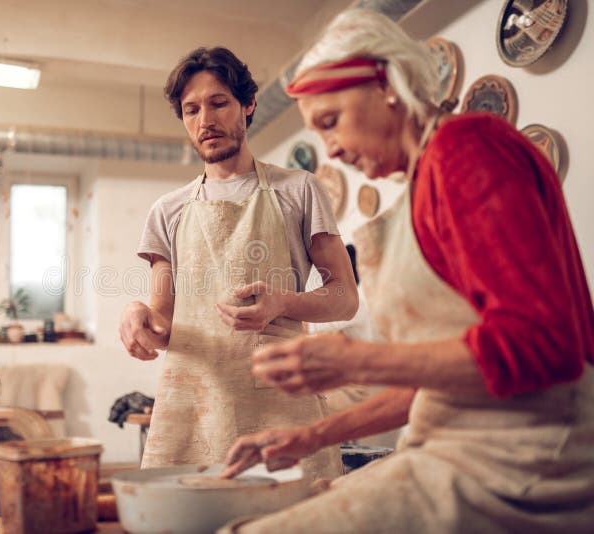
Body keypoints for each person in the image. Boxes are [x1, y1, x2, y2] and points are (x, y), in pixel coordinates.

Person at [219, 8, 594, 533]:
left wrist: (358, 362)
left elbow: (543, 347)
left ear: (385, 84)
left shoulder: (468, 149)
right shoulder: (428, 178)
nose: (331, 150)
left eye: (330, 121)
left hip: (527, 463)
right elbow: (440, 384)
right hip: (463, 450)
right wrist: (310, 437)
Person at [119, 46, 359, 482]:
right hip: (190, 404)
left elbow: (345, 298)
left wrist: (282, 303)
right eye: (191, 110)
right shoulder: (167, 211)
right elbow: (163, 321)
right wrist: (138, 316)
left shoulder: (299, 190)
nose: (205, 120)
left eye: (218, 103)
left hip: (278, 401)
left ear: (247, 105)